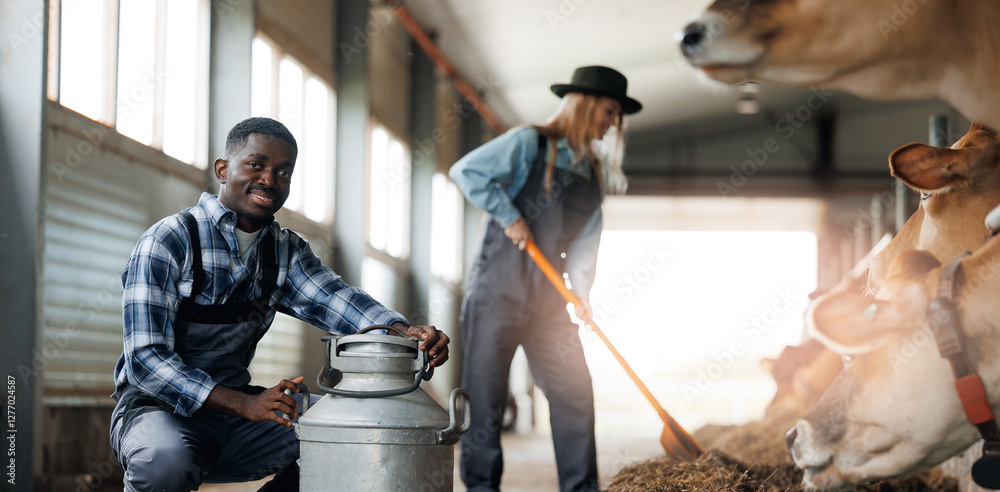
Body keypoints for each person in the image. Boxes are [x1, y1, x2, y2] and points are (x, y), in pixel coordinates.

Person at [110, 117, 450, 491]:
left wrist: (405, 332)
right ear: (223, 170)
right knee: (165, 461)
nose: (270, 180)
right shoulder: (169, 241)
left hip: (236, 423)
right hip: (158, 413)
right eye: (256, 165)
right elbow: (145, 359)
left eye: (283, 172)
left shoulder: (284, 251)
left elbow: (337, 300)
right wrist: (245, 405)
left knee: (353, 426)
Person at [450, 66, 642, 492]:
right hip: (497, 293)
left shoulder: (593, 176)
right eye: (610, 111)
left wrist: (582, 294)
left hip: (549, 302)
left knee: (575, 389)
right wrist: (510, 216)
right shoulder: (529, 143)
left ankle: (581, 487)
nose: (613, 123)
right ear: (586, 104)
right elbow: (466, 171)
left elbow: (584, 246)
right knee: (486, 402)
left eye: (617, 118)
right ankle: (482, 487)